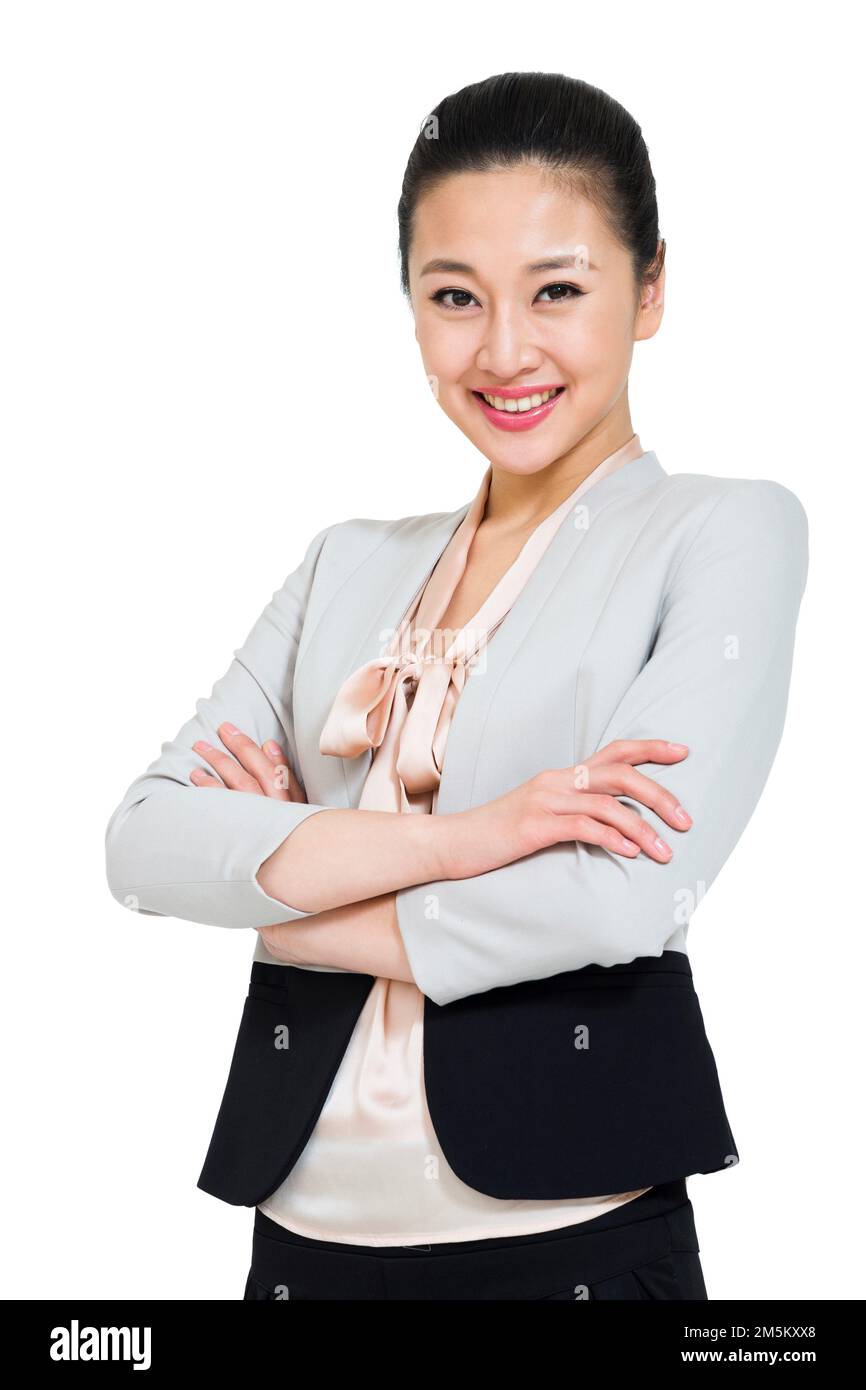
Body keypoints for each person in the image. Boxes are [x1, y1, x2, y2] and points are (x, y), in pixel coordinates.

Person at [105, 71, 809, 1300]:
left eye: (557, 291)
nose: (501, 351)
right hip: (299, 1240)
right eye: (452, 298)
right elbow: (145, 843)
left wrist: (283, 900)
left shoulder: (725, 532)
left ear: (647, 290)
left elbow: (615, 899)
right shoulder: (346, 562)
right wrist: (474, 838)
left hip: (568, 1243)